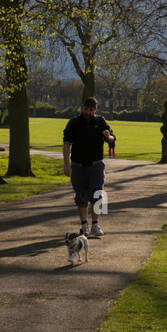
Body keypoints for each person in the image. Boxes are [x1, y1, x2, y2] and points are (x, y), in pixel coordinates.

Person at [63, 97, 115, 238]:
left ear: (95, 110)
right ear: (82, 108)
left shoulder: (100, 121)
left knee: (99, 194)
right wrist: (66, 165)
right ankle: (84, 225)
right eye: (86, 109)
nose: (88, 112)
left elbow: (112, 139)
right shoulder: (73, 123)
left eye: (91, 110)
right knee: (80, 196)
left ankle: (96, 225)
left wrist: (108, 136)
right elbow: (66, 144)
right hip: (78, 165)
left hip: (96, 165)